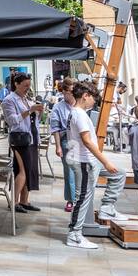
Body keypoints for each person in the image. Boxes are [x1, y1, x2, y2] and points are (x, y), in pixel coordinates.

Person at [66, 82, 127, 250]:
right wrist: (105, 161)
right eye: (94, 98)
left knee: (119, 174)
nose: (95, 101)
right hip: (84, 161)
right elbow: (86, 141)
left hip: (88, 160)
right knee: (83, 198)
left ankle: (107, 207)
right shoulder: (79, 114)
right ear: (85, 96)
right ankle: (74, 235)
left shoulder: (78, 113)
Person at [1, 72, 42, 214]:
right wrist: (30, 110)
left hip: (31, 136)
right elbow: (12, 120)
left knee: (30, 170)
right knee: (23, 170)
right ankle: (14, 201)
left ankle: (24, 201)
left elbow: (33, 119)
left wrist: (38, 112)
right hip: (19, 139)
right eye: (25, 85)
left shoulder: (26, 98)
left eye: (29, 85)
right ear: (16, 84)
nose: (27, 88)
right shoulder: (8, 100)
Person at [49, 79, 78, 215]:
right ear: (64, 92)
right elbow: (55, 128)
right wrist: (58, 146)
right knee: (70, 172)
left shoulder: (81, 104)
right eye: (70, 92)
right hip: (67, 140)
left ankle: (80, 199)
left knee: (83, 171)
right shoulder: (58, 107)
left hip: (82, 141)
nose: (72, 94)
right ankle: (72, 200)